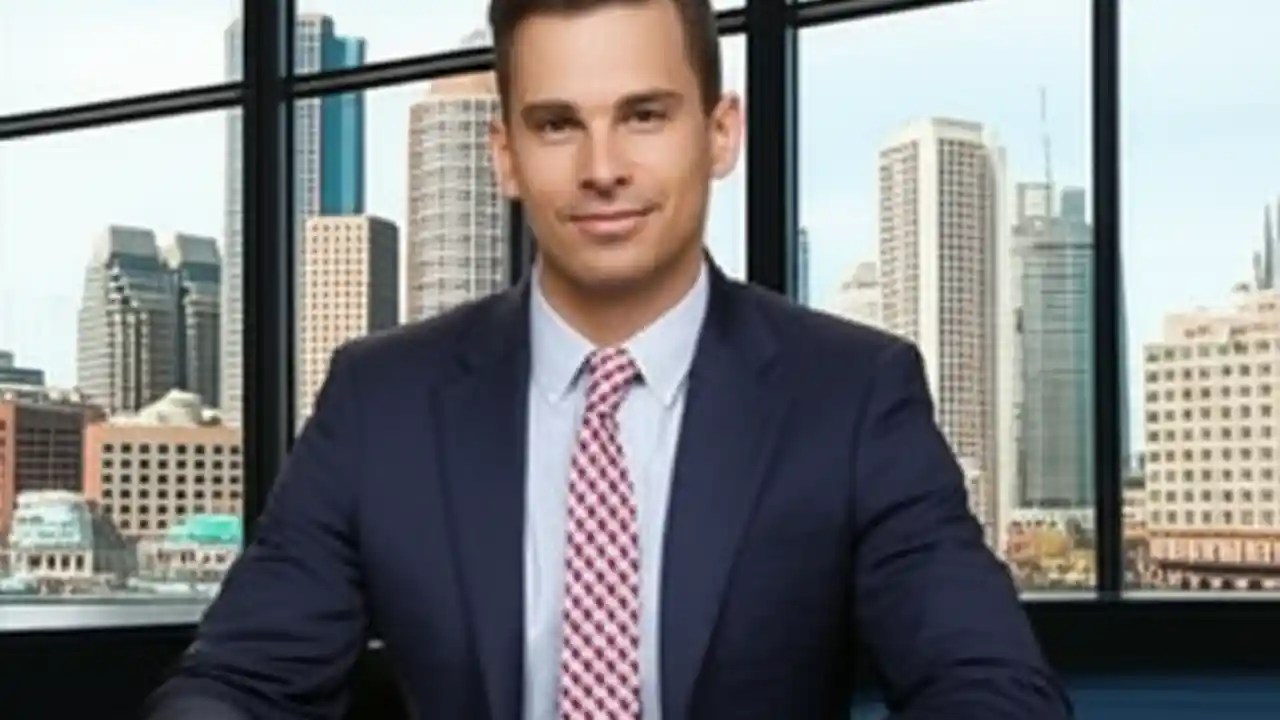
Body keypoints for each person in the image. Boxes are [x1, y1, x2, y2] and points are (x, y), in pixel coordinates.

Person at [145, 0, 1072, 717]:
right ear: (505, 155)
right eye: (556, 124)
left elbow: (989, 686)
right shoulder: (381, 399)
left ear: (720, 133)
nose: (601, 166)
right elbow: (240, 683)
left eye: (643, 115)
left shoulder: (853, 394)